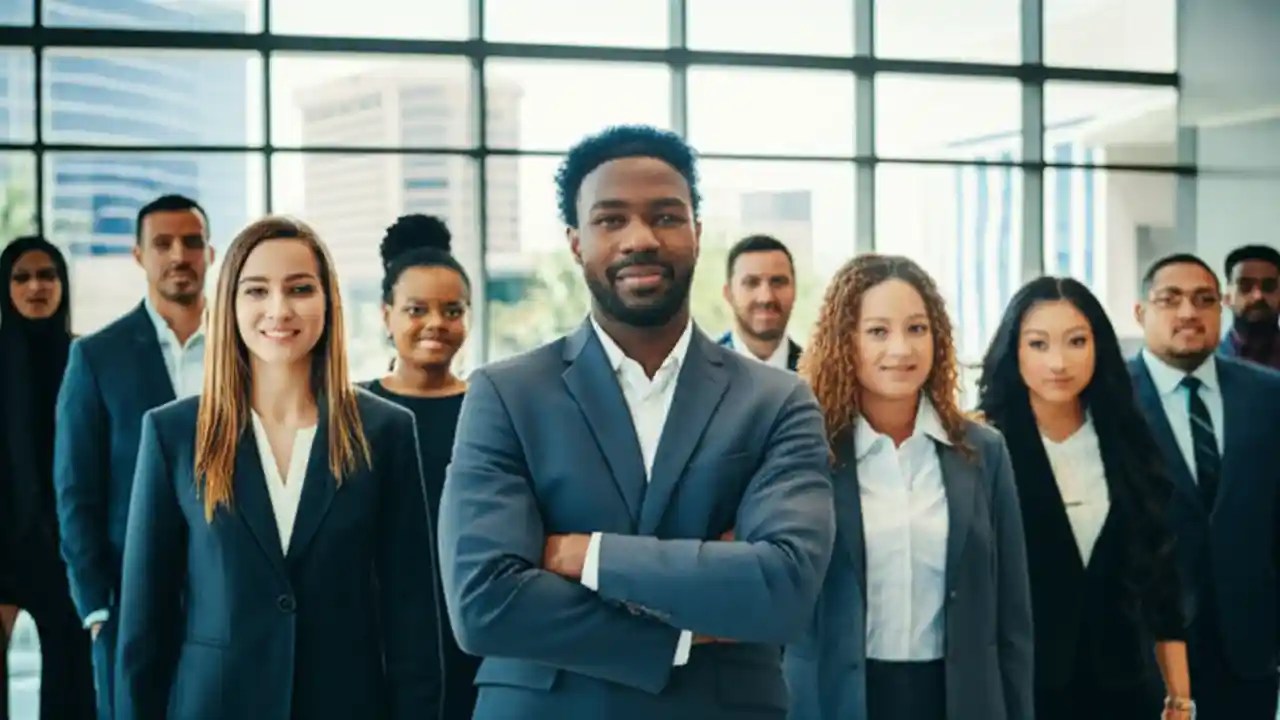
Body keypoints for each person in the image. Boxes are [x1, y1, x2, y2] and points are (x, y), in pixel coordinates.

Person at [438, 125, 836, 720]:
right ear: (576, 242)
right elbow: (483, 603)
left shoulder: (777, 401)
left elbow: (783, 588)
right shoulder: (506, 394)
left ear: (698, 235)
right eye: (611, 220)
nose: (641, 238)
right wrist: (681, 629)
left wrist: (585, 556)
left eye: (667, 217)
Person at [113, 216, 441, 719]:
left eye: (300, 289)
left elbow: (412, 619)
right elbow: (143, 629)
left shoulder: (386, 432)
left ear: (328, 301)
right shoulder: (173, 434)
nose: (279, 309)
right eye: (257, 290)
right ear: (230, 305)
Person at [784, 254, 1033, 720]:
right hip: (832, 698)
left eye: (917, 329)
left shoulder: (983, 452)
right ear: (845, 342)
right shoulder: (806, 451)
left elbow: (1012, 617)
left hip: (957, 698)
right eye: (878, 331)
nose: (901, 349)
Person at [977, 276, 1191, 720]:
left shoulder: (1128, 437)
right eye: (1038, 344)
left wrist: (1180, 695)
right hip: (1018, 688)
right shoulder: (983, 444)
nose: (1058, 362)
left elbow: (1161, 577)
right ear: (1013, 349)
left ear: (1099, 346)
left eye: (1076, 341)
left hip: (1124, 687)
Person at [53, 193, 212, 718]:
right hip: (129, 593)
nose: (178, 255)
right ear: (139, 255)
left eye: (191, 243)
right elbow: (76, 489)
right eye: (162, 244)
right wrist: (95, 604)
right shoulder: (97, 356)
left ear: (209, 254)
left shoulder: (243, 347)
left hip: (229, 587)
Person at [1130, 253, 1280, 719]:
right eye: (1170, 299)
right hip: (1143, 648)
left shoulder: (1268, 396)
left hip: (1250, 648)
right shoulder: (1109, 399)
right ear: (1141, 312)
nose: (1188, 313)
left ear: (1223, 307)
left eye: (1204, 300)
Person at [362, 213, 472, 717]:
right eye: (416, 309)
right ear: (386, 315)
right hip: (375, 623)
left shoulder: (492, 409)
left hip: (468, 620)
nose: (436, 324)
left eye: (452, 310)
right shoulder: (350, 411)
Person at [0, 237, 95, 719]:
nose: (36, 286)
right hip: (3, 543)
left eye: (48, 275)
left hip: (65, 550)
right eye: (22, 277)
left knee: (72, 681)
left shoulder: (87, 358)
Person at [717, 234, 802, 370]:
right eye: (752, 283)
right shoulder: (695, 373)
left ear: (795, 289)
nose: (766, 297)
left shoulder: (821, 376)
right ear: (728, 294)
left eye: (778, 282)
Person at [1218, 244, 1280, 370]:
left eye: (1268, 286)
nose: (1258, 296)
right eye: (1245, 286)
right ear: (1227, 298)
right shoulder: (1206, 363)